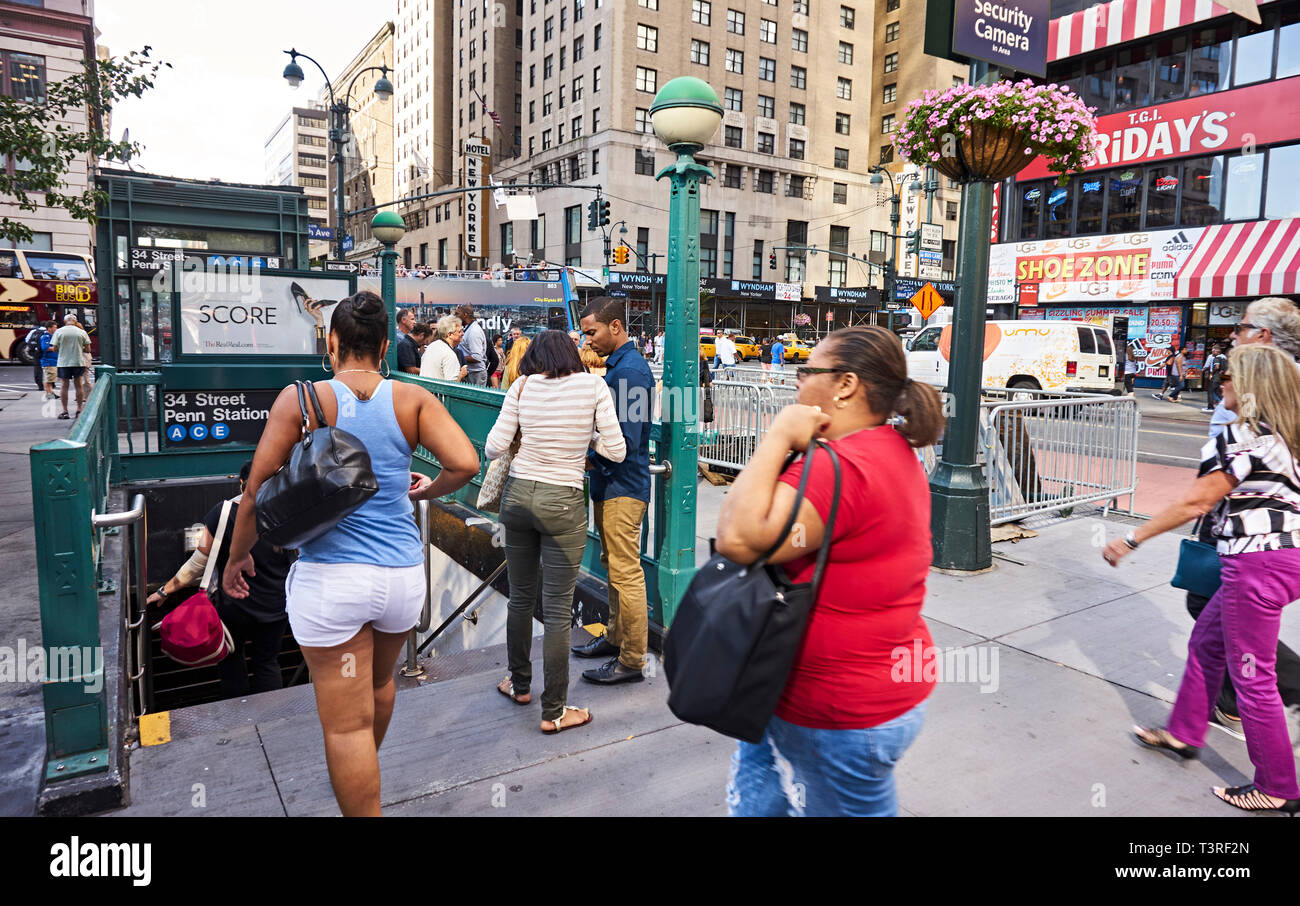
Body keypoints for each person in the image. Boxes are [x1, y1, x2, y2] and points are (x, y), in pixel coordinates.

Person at [222, 291, 479, 817]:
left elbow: (255, 491)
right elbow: (465, 464)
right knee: (380, 684)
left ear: (333, 342)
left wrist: (237, 558)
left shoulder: (301, 400)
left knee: (345, 728)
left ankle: (356, 774)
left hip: (331, 582)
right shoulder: (412, 400)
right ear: (385, 346)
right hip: (400, 580)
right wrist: (423, 492)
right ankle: (361, 770)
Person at [715, 326, 945, 816]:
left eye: (808, 371)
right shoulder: (891, 448)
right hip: (860, 687)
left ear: (845, 385)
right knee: (756, 787)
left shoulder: (836, 467)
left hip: (837, 707)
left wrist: (779, 433)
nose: (798, 381)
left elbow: (737, 539)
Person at [1105, 344, 1300, 815]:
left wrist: (1131, 538)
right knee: (1207, 645)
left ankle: (1278, 786)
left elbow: (1195, 502)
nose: (1221, 380)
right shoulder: (1285, 438)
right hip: (1280, 560)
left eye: (1230, 374)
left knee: (1253, 677)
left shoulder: (1242, 437)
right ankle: (1183, 733)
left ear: (1250, 386)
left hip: (1256, 565)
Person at [486, 330, 626, 733]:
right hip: (562, 501)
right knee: (559, 610)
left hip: (517, 497)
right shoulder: (594, 386)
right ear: (571, 354)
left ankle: (519, 684)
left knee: (520, 598)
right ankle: (554, 712)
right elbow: (616, 451)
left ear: (534, 358)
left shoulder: (522, 386)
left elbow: (494, 447)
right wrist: (585, 437)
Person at [149, 461, 293, 698]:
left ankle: (236, 711)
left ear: (241, 483)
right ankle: (270, 713)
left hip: (233, 606)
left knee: (230, 660)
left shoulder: (222, 513)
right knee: (267, 661)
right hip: (276, 605)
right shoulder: (286, 513)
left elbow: (198, 563)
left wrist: (165, 591)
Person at [574, 298, 654, 684]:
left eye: (592, 332)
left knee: (625, 573)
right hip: (612, 484)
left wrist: (590, 457)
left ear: (616, 326)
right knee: (615, 568)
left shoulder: (631, 372)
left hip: (623, 485)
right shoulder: (622, 368)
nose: (587, 341)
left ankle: (632, 659)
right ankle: (615, 637)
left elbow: (628, 440)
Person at [51, 313, 89, 420]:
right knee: (78, 385)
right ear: (75, 321)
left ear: (64, 322)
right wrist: (79, 348)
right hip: (78, 362)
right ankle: (79, 410)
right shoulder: (82, 332)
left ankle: (65, 412)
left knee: (64, 386)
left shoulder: (59, 331)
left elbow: (54, 349)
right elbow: (88, 349)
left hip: (64, 362)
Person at [420, 315, 468, 382]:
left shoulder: (432, 346)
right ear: (450, 334)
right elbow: (452, 385)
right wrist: (461, 374)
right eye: (460, 331)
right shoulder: (449, 354)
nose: (463, 333)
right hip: (436, 388)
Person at [456, 304, 489, 385]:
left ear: (465, 315)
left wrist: (458, 357)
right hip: (471, 373)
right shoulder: (468, 328)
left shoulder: (474, 331)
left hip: (476, 374)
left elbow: (477, 357)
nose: (455, 317)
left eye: (457, 314)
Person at [1201, 343, 1227, 412]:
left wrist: (1212, 373)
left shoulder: (1216, 358)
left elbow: (1216, 367)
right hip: (1221, 377)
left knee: (1210, 391)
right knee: (1218, 392)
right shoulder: (1224, 357)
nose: (1212, 352)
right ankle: (1227, 404)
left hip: (1215, 377)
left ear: (1217, 351)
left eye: (1213, 351)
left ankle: (1210, 407)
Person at [38, 321, 58, 400]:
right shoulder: (46, 337)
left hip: (52, 360)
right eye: (55, 327)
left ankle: (50, 393)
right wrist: (56, 348)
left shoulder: (51, 336)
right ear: (49, 328)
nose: (56, 329)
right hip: (48, 361)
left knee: (50, 379)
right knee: (48, 379)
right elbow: (45, 348)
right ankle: (49, 394)